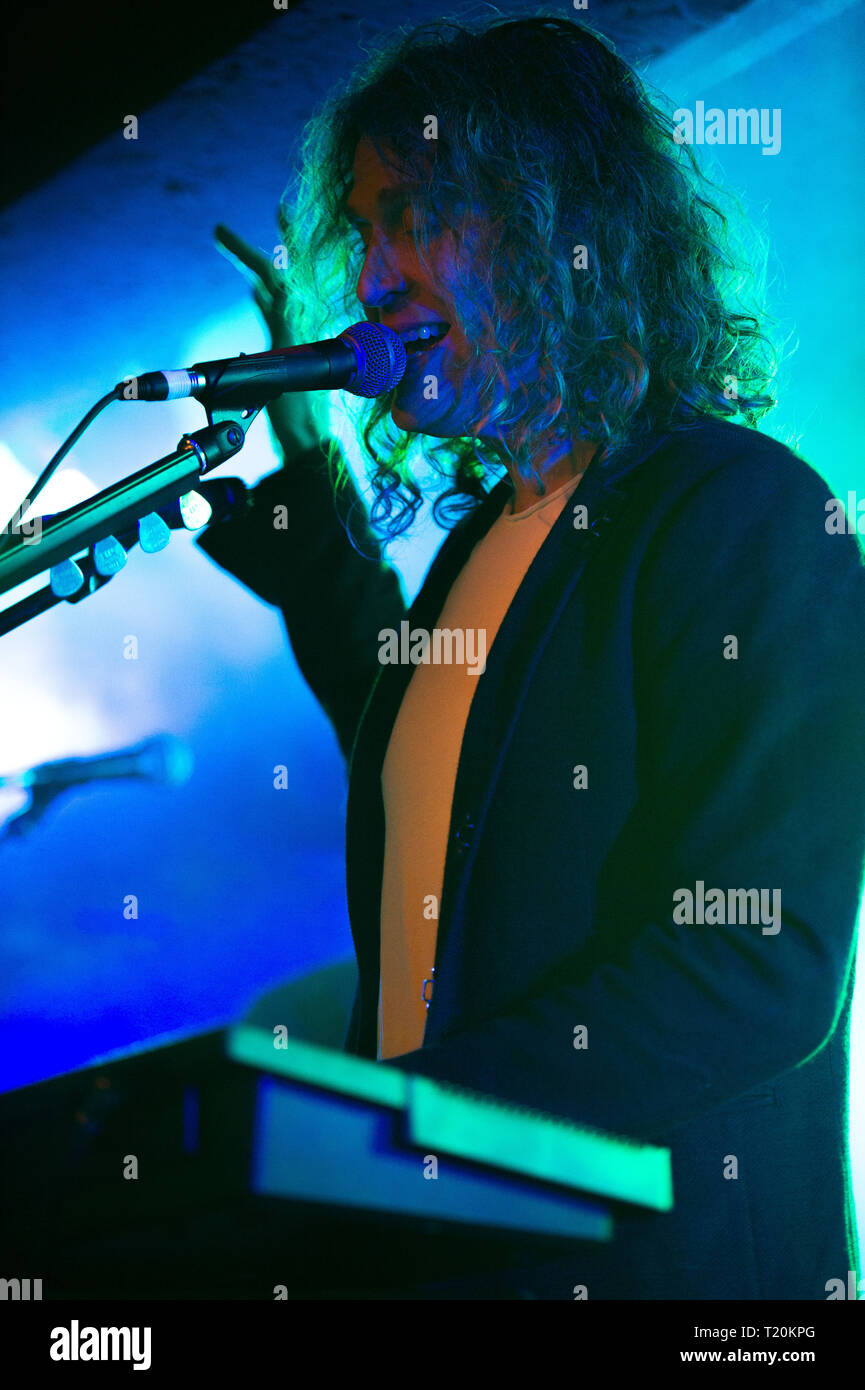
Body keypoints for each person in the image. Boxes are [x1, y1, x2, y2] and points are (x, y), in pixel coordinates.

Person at [196, 14, 865, 1299]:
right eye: (366, 229)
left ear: (560, 224)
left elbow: (758, 959)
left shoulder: (738, 512)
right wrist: (302, 461)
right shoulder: (478, 550)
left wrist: (400, 1133)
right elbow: (424, 765)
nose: (375, 275)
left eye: (418, 216)